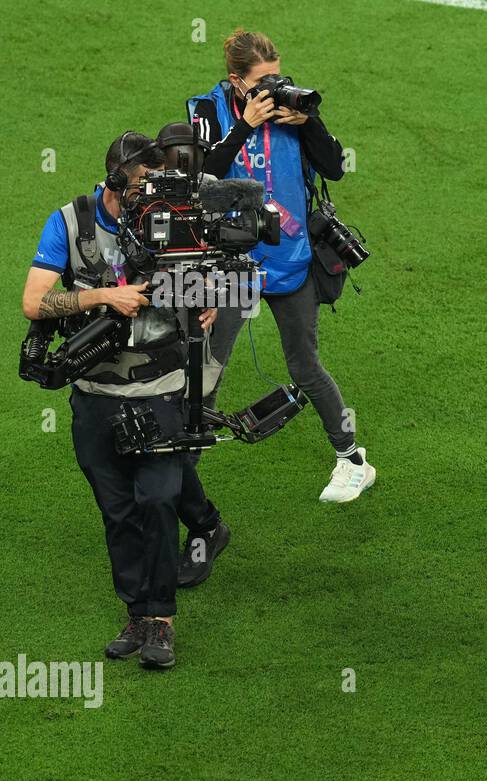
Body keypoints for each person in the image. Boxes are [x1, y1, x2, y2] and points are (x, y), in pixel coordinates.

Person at [22, 133, 220, 669]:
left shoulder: (171, 216)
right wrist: (101, 295)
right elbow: (34, 301)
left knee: (157, 500)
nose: (149, 196)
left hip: (159, 393)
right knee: (118, 511)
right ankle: (137, 612)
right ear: (114, 181)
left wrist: (207, 304)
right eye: (140, 186)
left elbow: (208, 279)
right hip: (94, 398)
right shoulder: (69, 222)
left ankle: (160, 620)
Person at [187, 27, 375, 504]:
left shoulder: (294, 108)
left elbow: (335, 167)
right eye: (262, 82)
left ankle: (352, 461)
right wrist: (246, 125)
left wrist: (306, 122)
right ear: (236, 81)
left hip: (291, 258)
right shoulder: (208, 111)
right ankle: (182, 473)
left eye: (277, 77)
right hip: (232, 264)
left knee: (306, 364)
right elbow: (201, 177)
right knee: (208, 368)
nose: (273, 89)